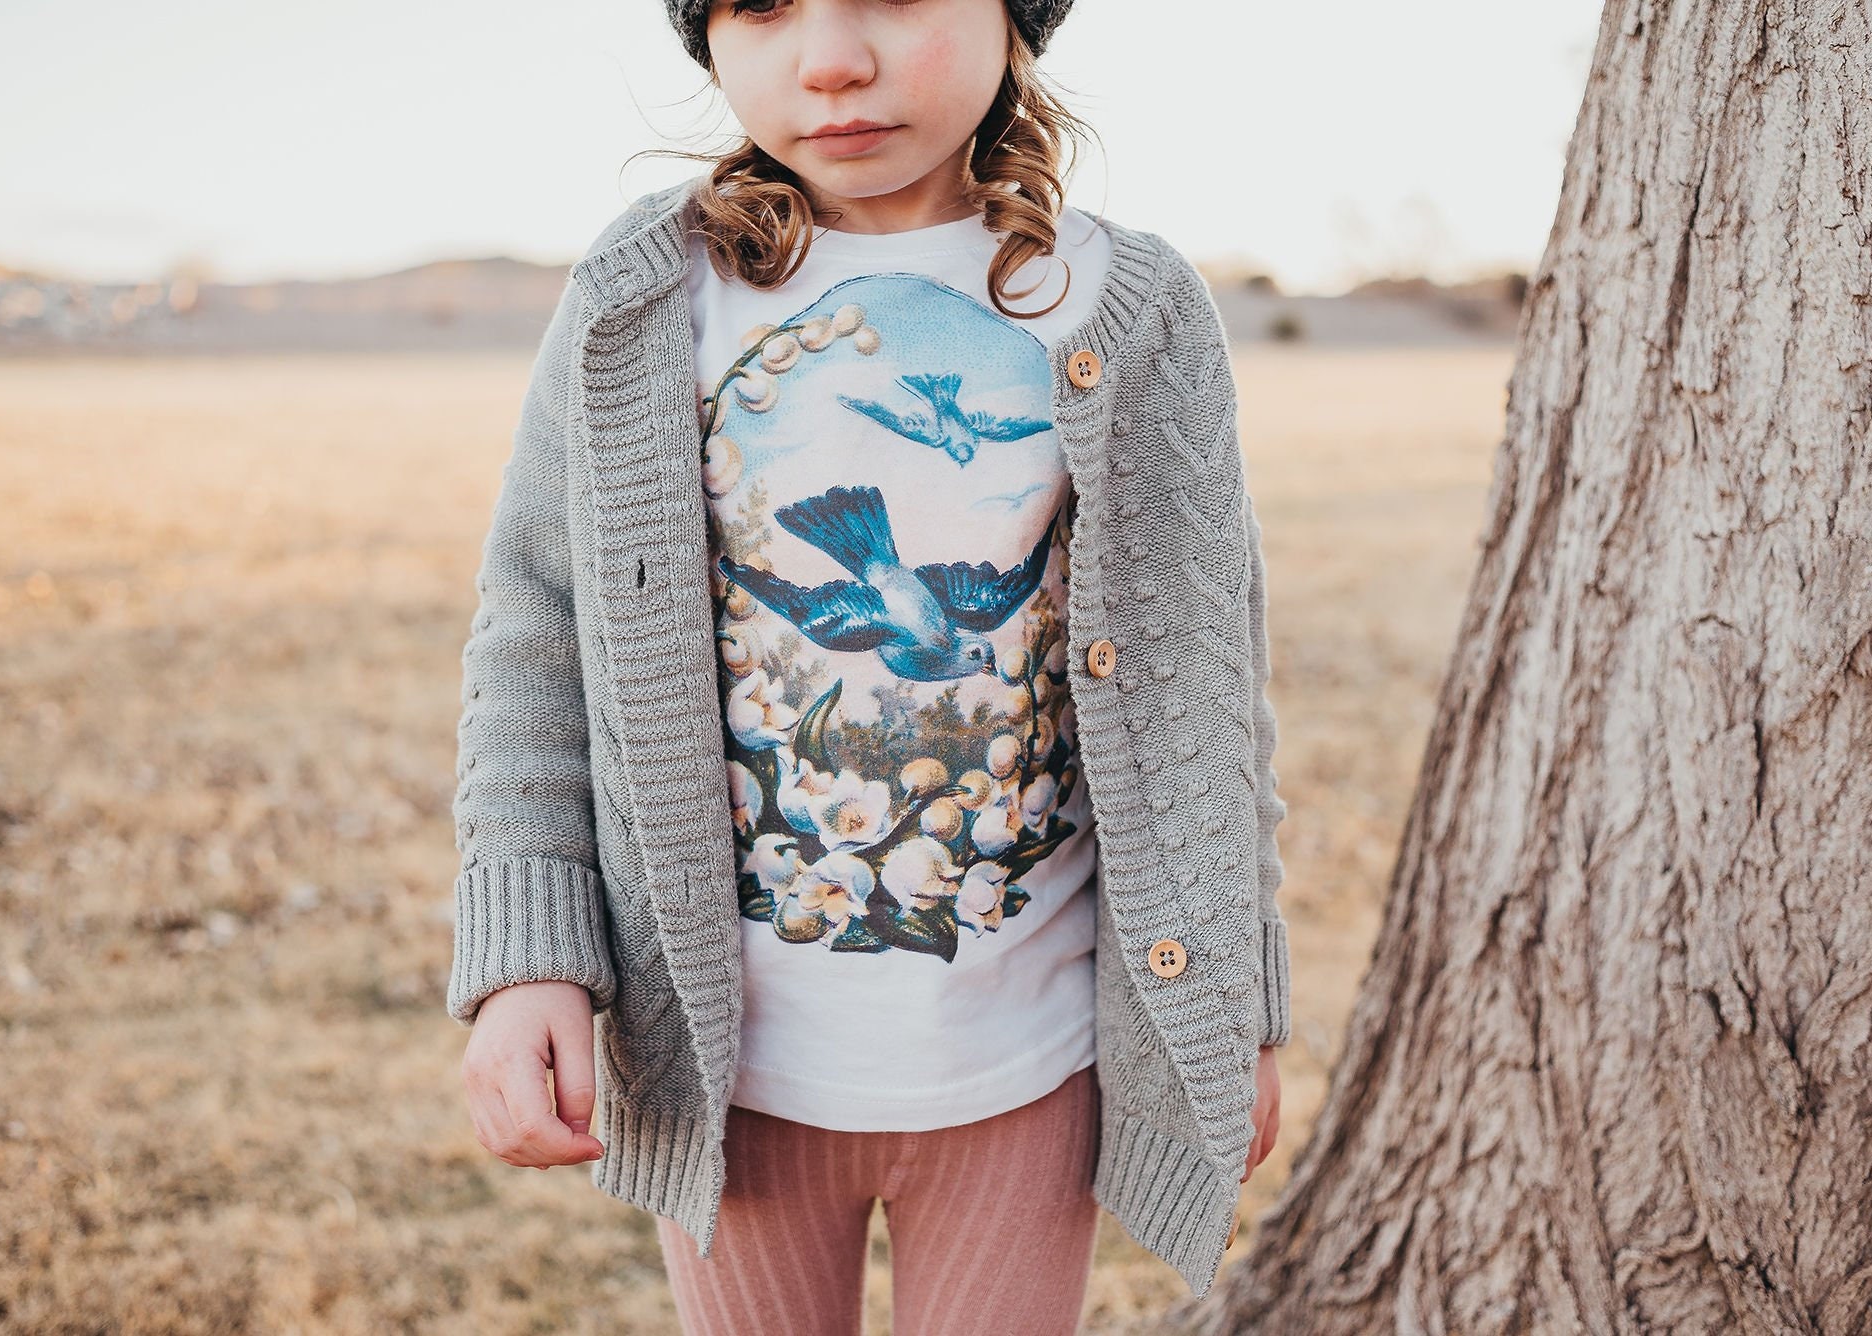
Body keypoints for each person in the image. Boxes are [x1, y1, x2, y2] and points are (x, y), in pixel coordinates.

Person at [447, 2, 1293, 1331]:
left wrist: (1230, 995)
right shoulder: (644, 296)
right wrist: (525, 958)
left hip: (1030, 1068)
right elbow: (537, 630)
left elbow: (1205, 691)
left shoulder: (1126, 305)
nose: (831, 58)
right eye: (764, 6)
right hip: (730, 1080)